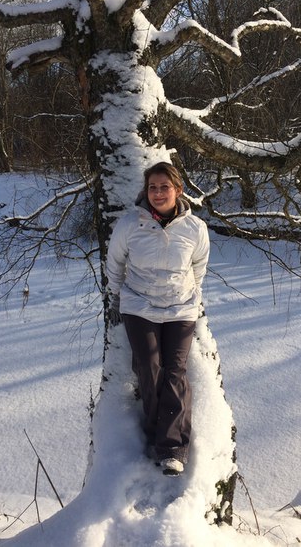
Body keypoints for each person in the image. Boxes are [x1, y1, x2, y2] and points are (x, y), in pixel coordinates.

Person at [106, 161, 210, 476]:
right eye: (153, 187)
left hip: (180, 308)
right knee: (150, 368)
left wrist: (190, 292)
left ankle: (173, 448)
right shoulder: (130, 224)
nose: (158, 192)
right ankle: (155, 432)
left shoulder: (195, 228)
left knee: (175, 372)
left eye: (165, 187)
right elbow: (115, 262)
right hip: (139, 305)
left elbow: (199, 265)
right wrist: (116, 294)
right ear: (146, 191)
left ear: (178, 190)